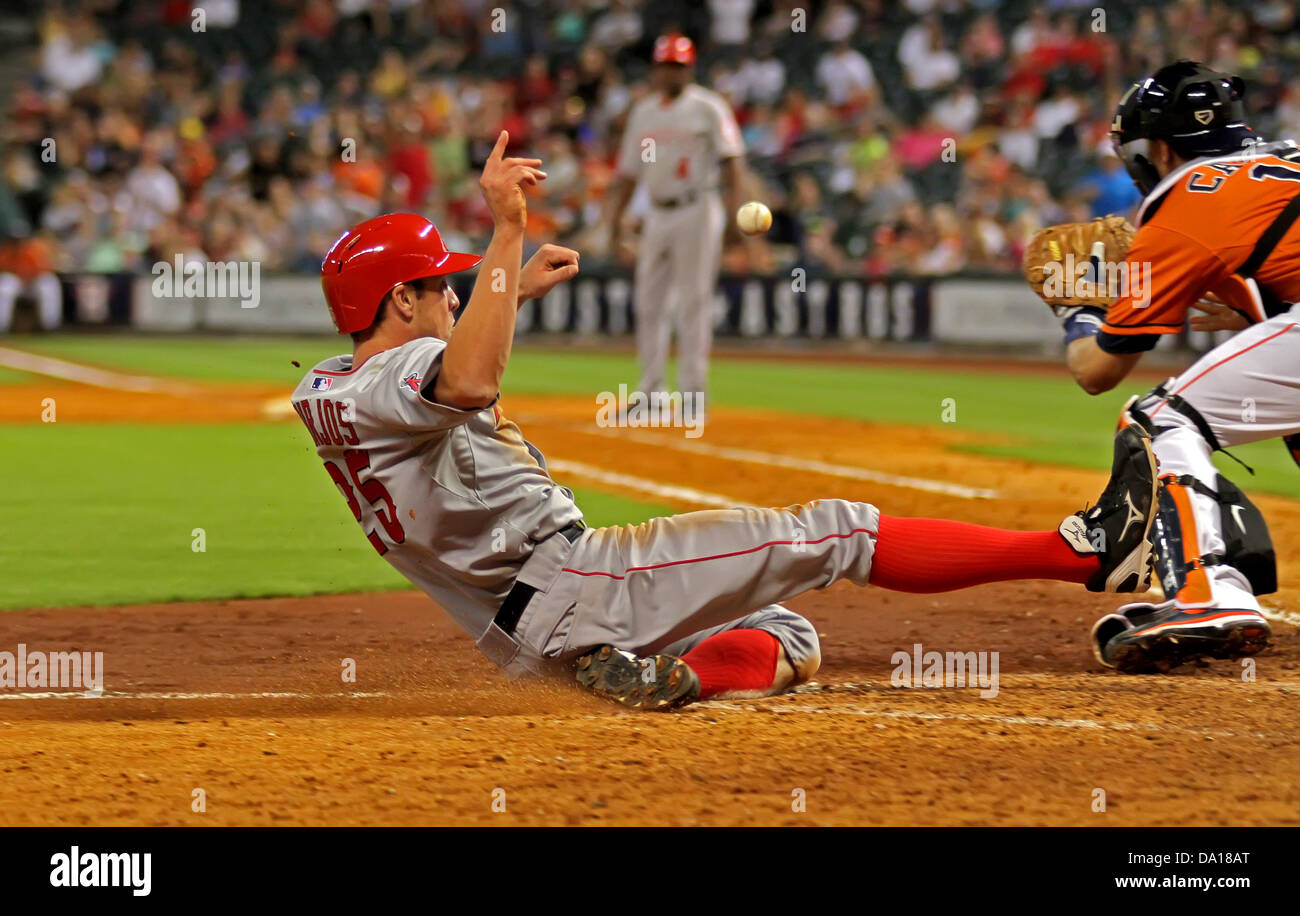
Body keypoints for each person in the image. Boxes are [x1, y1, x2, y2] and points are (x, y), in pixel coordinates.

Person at [292, 131, 1160, 710]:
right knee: (831, 533)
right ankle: (1079, 550)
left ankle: (660, 679)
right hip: (574, 583)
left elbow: (431, 378)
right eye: (440, 283)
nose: (455, 289)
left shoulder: (331, 390)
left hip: (523, 629)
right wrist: (508, 231)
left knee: (787, 631)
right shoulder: (408, 369)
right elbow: (469, 381)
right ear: (400, 300)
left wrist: (502, 287)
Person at [1056, 61, 1291, 672]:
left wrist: (1078, 307)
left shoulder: (1187, 197)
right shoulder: (1282, 160)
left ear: (1160, 147)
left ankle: (1206, 593)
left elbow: (1098, 371)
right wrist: (1256, 315)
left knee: (1161, 416)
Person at [606, 34, 747, 424]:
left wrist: (736, 214)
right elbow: (627, 175)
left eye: (680, 65)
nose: (673, 71)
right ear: (656, 69)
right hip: (657, 211)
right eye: (668, 64)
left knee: (693, 302)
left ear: (690, 68)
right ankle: (650, 392)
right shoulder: (645, 112)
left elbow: (733, 163)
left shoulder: (707, 107)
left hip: (697, 207)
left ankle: (693, 397)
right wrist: (617, 224)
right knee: (649, 302)